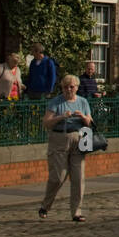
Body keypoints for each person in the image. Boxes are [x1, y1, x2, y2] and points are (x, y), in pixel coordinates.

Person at [39, 74, 93, 221]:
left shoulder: (83, 102)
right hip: (60, 139)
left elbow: (89, 122)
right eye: (65, 87)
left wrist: (83, 116)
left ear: (76, 88)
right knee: (58, 177)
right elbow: (46, 122)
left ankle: (76, 212)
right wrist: (61, 117)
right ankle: (45, 205)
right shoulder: (56, 102)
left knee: (78, 177)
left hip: (79, 139)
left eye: (71, 87)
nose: (68, 90)